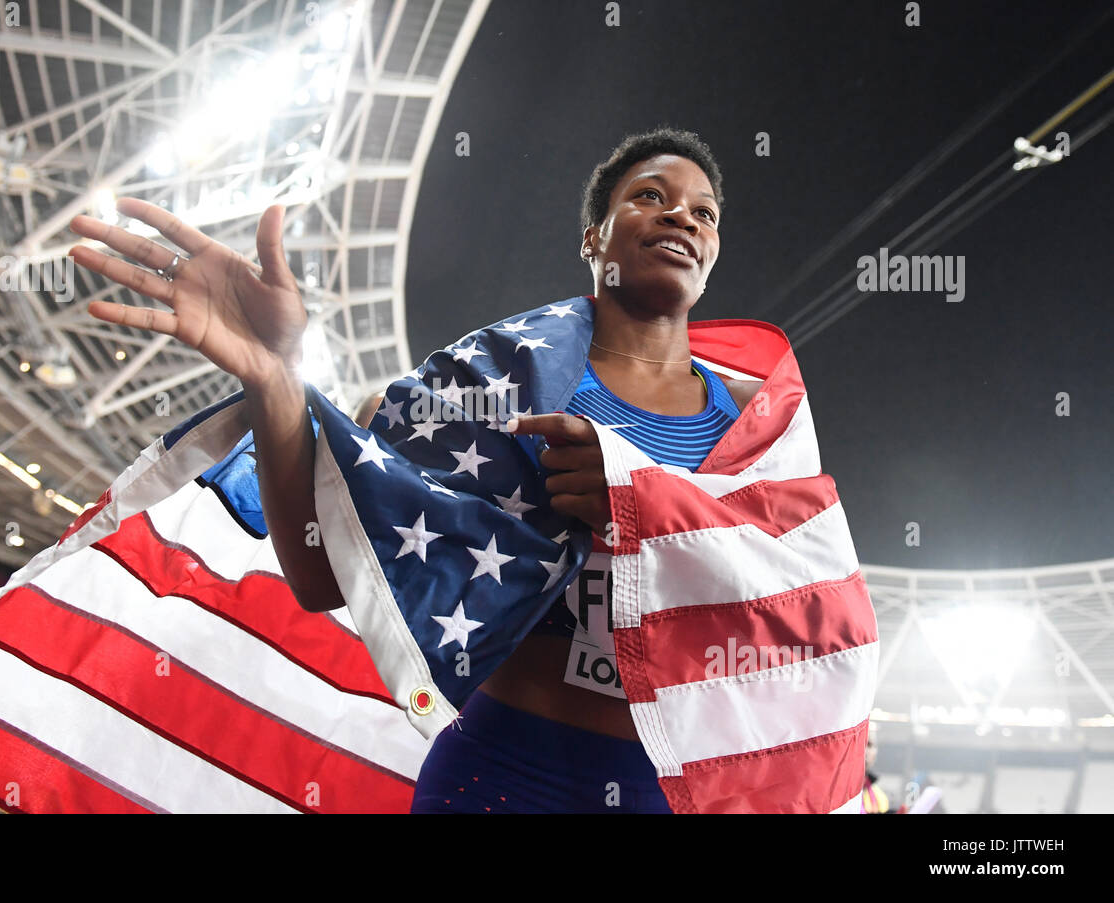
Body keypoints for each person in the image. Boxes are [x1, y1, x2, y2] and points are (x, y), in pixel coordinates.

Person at [67, 128, 799, 813]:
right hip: (496, 774)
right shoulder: (486, 390)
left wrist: (644, 512)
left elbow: (802, 614)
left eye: (702, 212)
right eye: (649, 196)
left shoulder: (758, 423)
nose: (681, 216)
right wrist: (273, 379)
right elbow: (326, 572)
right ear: (592, 238)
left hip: (675, 792)